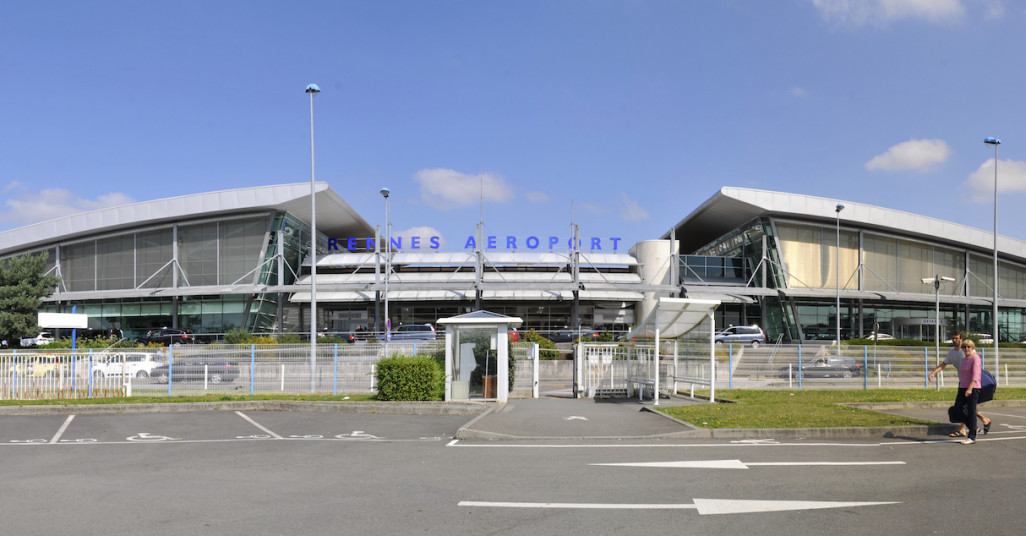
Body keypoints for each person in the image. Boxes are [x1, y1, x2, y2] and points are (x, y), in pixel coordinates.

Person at [929, 332, 992, 437]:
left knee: (966, 408)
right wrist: (933, 373)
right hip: (963, 382)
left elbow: (976, 367)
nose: (955, 340)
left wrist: (972, 386)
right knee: (963, 408)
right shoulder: (952, 353)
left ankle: (965, 429)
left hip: (972, 383)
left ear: (961, 339)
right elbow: (943, 364)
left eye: (957, 338)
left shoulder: (969, 352)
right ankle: (984, 420)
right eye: (953, 338)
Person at [952, 340, 982, 445]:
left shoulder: (975, 358)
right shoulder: (964, 359)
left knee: (971, 411)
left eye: (969, 347)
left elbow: (976, 375)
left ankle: (972, 437)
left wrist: (970, 388)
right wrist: (962, 387)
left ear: (972, 347)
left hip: (973, 388)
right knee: (957, 409)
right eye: (964, 347)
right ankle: (974, 427)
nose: (966, 349)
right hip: (962, 386)